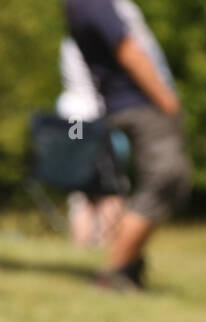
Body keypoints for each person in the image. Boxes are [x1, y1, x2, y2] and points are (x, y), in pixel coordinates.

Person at [64, 0, 190, 291]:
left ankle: (129, 264)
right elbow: (129, 51)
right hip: (141, 104)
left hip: (128, 105)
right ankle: (115, 269)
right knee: (166, 178)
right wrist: (165, 98)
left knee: (162, 182)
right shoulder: (93, 4)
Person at [55, 33, 127, 249]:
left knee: (81, 191)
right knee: (110, 189)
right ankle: (104, 248)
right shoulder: (98, 36)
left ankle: (82, 248)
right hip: (91, 118)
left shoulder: (71, 38)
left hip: (70, 116)